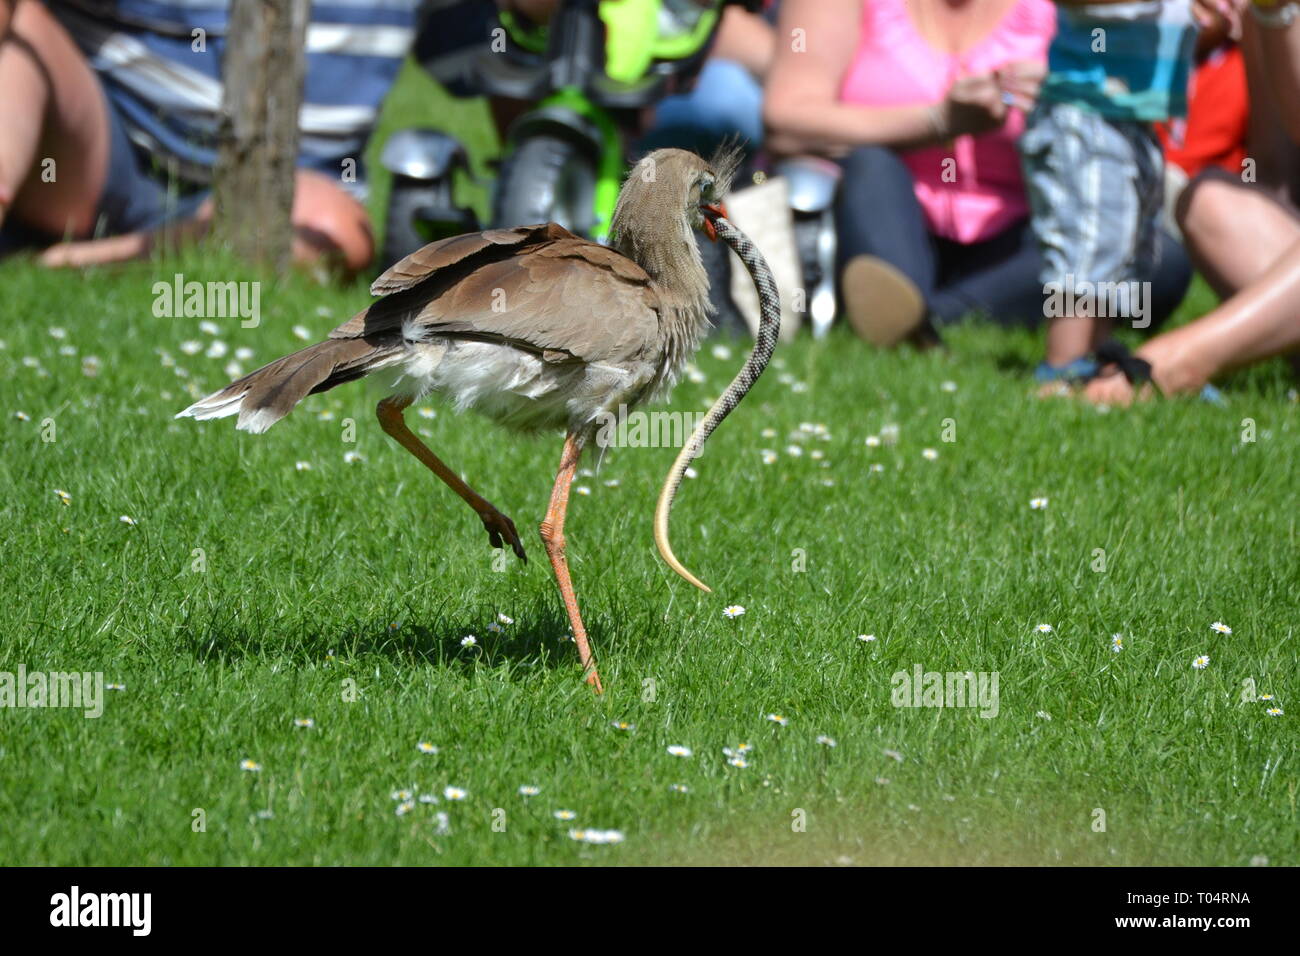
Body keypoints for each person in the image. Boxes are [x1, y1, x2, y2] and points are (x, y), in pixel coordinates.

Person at [763, 0, 1192, 347]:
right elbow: (787, 119)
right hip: (883, 219)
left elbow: (1131, 100)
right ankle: (907, 306)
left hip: (1026, 234)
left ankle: (922, 318)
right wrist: (937, 121)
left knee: (1158, 262)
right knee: (871, 164)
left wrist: (1065, 95)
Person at [0, 0, 417, 276]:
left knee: (334, 228)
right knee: (20, 34)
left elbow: (482, 56)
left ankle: (76, 261)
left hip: (282, 191)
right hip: (102, 141)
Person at [1083, 0, 1300, 405]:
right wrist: (1276, 15)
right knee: (1210, 202)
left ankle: (1180, 361)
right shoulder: (1264, 17)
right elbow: (1276, 175)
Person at [1020, 1, 1204, 386]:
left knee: (1123, 249)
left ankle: (1094, 356)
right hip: (1086, 113)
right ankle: (1062, 367)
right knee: (1086, 245)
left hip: (1134, 116)